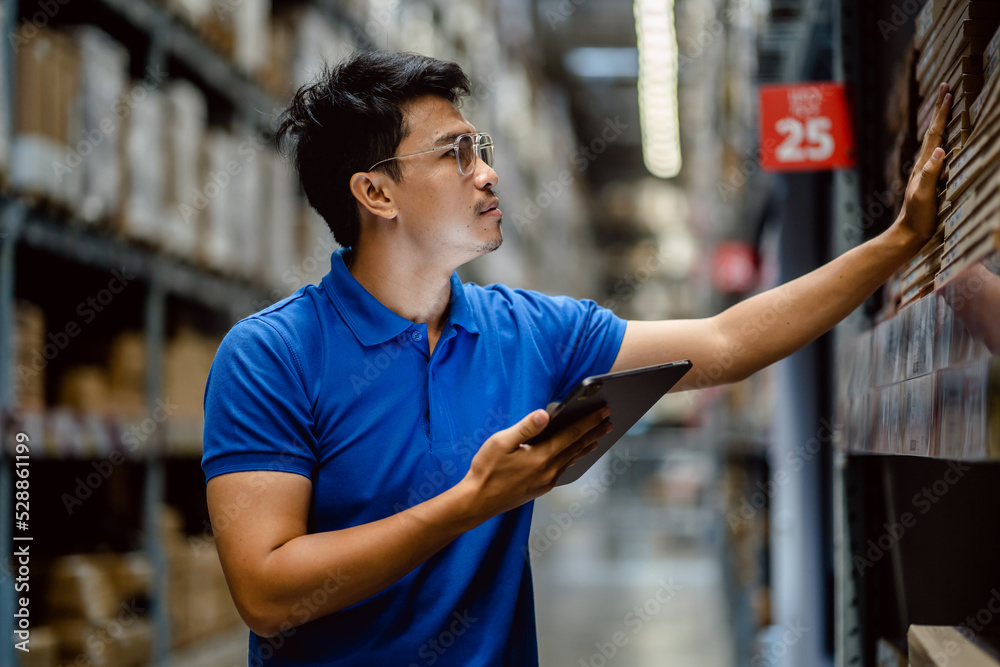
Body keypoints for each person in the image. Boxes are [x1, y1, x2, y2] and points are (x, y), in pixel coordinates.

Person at [202, 50, 951, 665]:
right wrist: (470, 503)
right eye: (456, 154)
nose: (487, 172)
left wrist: (896, 244)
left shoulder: (529, 330)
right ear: (376, 192)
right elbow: (266, 590)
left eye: (482, 149)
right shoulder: (271, 357)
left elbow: (726, 344)